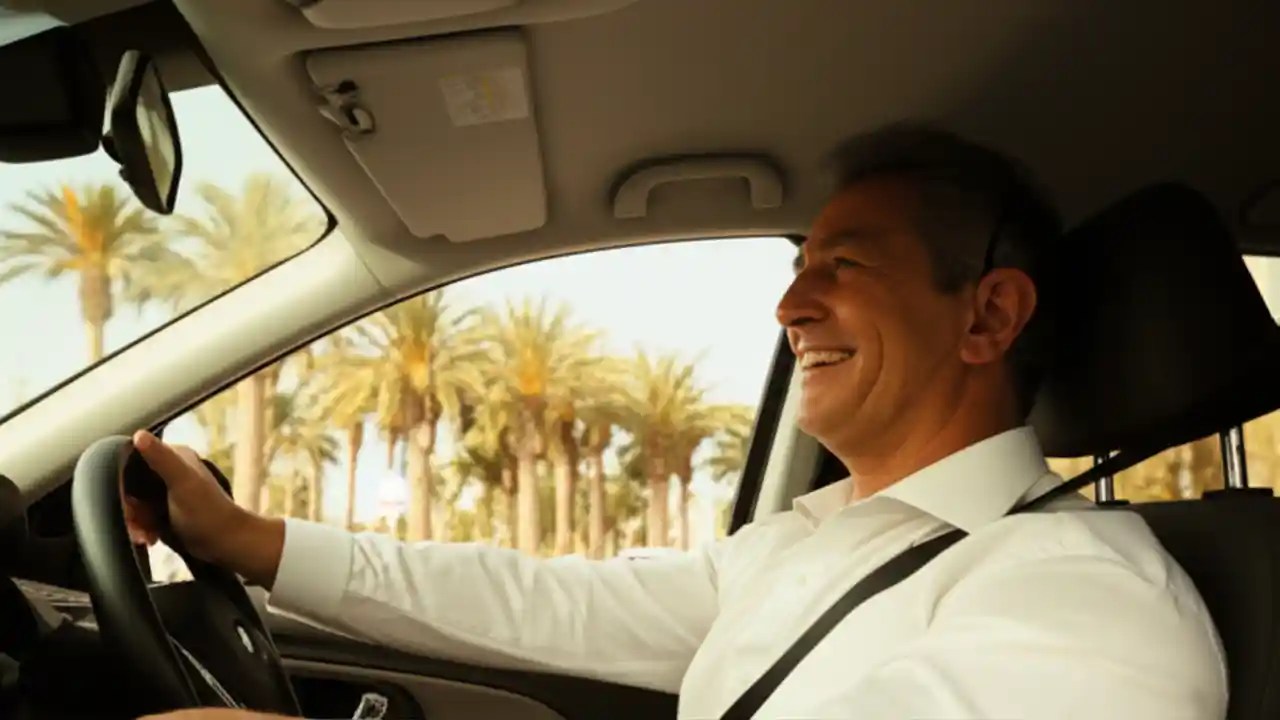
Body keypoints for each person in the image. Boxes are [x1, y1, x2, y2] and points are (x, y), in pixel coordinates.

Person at [130, 124, 1226, 720]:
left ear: (986, 313)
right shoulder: (804, 546)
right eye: (797, 267)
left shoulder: (1085, 595)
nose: (790, 307)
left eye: (840, 268)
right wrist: (251, 543)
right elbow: (541, 603)